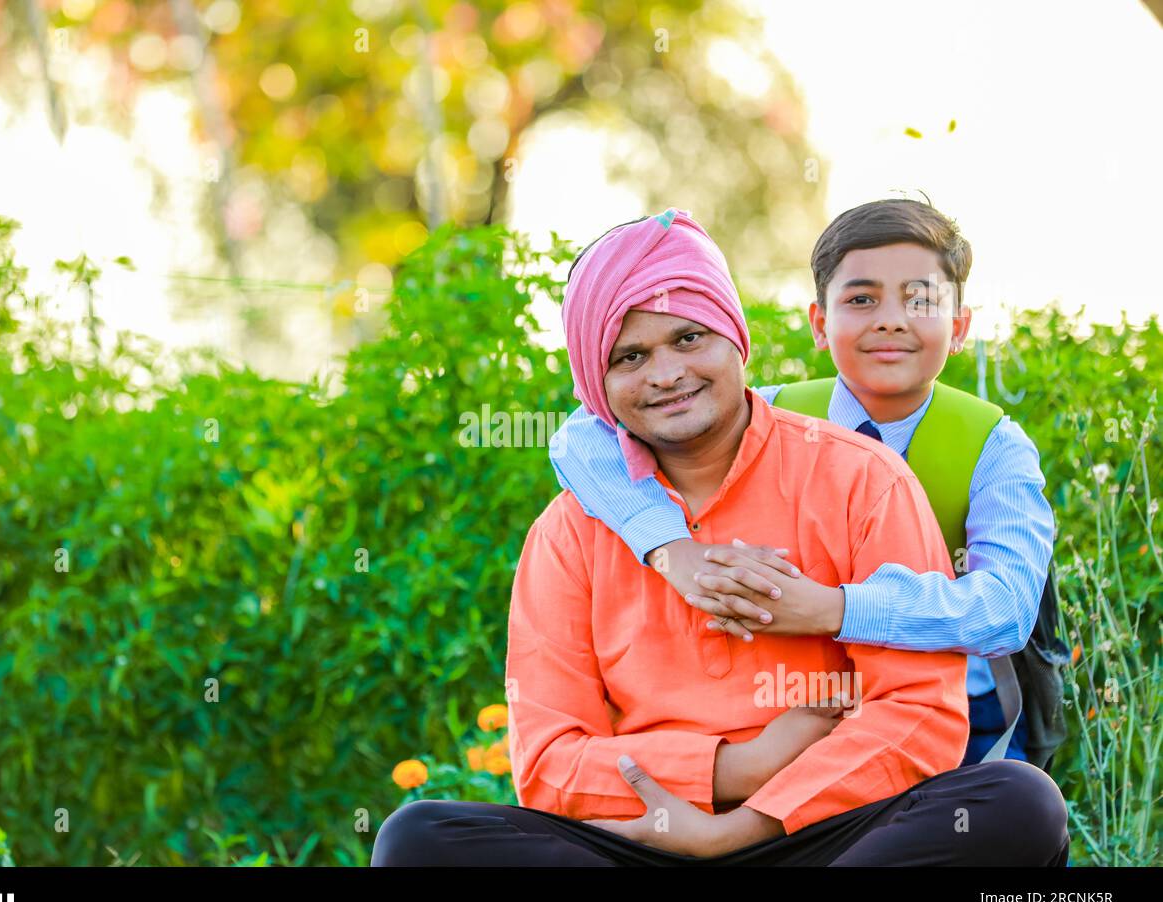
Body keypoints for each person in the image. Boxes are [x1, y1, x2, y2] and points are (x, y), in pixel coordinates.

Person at [371, 209, 1069, 866]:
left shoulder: (861, 479)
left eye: (687, 338)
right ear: (595, 381)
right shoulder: (572, 530)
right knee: (420, 840)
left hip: (825, 830)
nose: (667, 374)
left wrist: (750, 821)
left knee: (1016, 806)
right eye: (629, 357)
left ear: (735, 337)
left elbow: (917, 713)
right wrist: (733, 769)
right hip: (648, 836)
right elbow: (550, 759)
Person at [548, 198, 1058, 766]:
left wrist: (832, 609)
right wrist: (671, 549)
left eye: (920, 299)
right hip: (804, 714)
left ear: (959, 327)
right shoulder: (766, 414)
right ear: (819, 323)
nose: (890, 319)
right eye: (861, 299)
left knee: (1004, 814)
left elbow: (1007, 608)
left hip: (961, 714)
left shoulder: (993, 445)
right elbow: (583, 436)